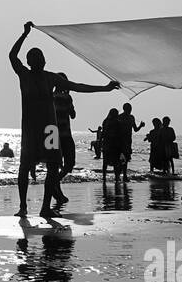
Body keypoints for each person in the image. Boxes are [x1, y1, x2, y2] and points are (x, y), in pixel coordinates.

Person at [8, 22, 118, 218]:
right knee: (24, 166)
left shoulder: (51, 78)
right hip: (30, 129)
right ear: (29, 61)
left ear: (44, 60)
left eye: (40, 56)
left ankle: (45, 207)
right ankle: (23, 207)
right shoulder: (23, 74)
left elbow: (78, 86)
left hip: (50, 129)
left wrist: (104, 88)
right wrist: (24, 35)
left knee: (52, 166)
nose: (38, 59)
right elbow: (12, 56)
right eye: (34, 57)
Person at [102, 103, 145, 185]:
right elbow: (116, 128)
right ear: (125, 109)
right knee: (120, 159)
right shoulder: (120, 118)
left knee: (123, 159)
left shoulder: (128, 117)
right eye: (128, 108)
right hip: (120, 140)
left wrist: (140, 126)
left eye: (130, 108)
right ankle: (120, 176)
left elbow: (134, 129)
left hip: (124, 141)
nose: (129, 110)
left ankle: (121, 176)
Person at [53, 84, 78, 176]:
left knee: (52, 165)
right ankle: (57, 181)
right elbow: (73, 115)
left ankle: (53, 186)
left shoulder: (50, 96)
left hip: (50, 133)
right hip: (65, 134)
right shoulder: (66, 97)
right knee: (69, 162)